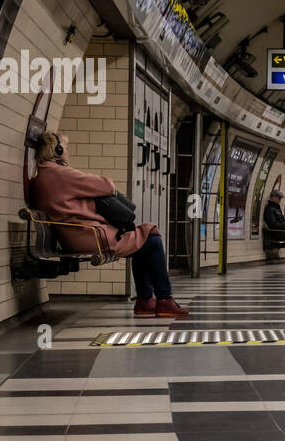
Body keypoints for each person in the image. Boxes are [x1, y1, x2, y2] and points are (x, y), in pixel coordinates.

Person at [30, 131, 188, 318]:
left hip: (76, 235)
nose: (67, 150)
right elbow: (107, 186)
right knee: (151, 238)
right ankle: (164, 300)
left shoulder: (45, 175)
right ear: (56, 150)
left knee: (142, 241)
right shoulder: (59, 174)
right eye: (65, 146)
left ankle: (145, 300)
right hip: (89, 236)